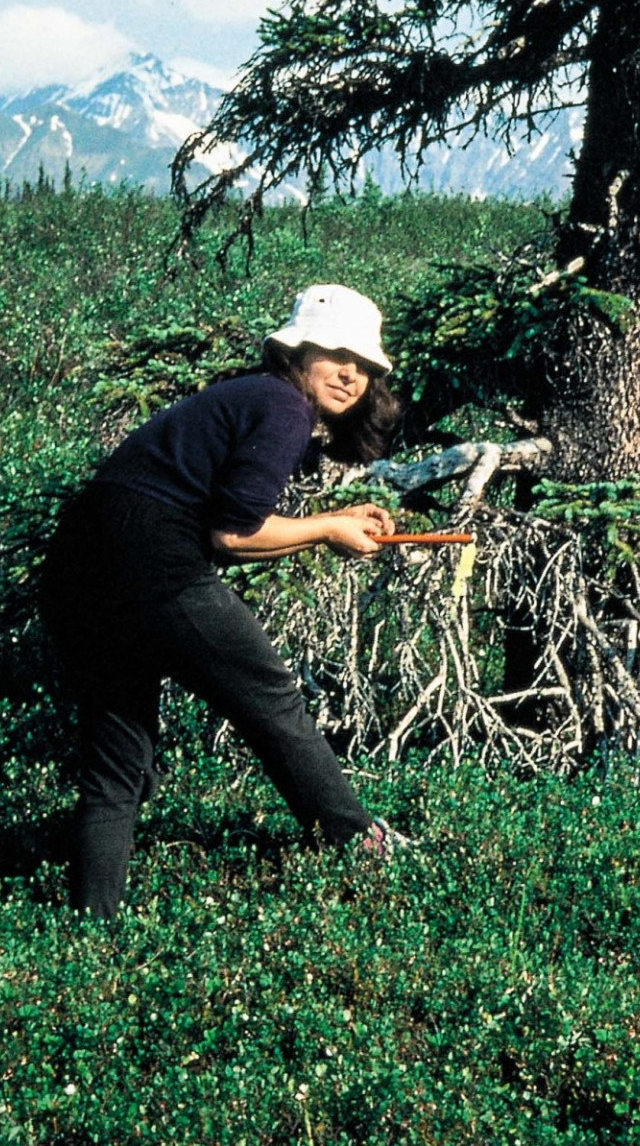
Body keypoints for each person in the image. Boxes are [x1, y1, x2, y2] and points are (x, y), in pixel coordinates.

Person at [38, 284, 404, 916]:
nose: (351, 373)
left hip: (78, 579)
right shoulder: (283, 405)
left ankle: (89, 930)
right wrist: (328, 528)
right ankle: (363, 845)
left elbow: (226, 512)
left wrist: (334, 518)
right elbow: (235, 534)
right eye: (336, 354)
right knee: (274, 702)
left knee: (117, 762)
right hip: (154, 571)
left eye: (365, 365)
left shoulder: (250, 397)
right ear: (296, 353)